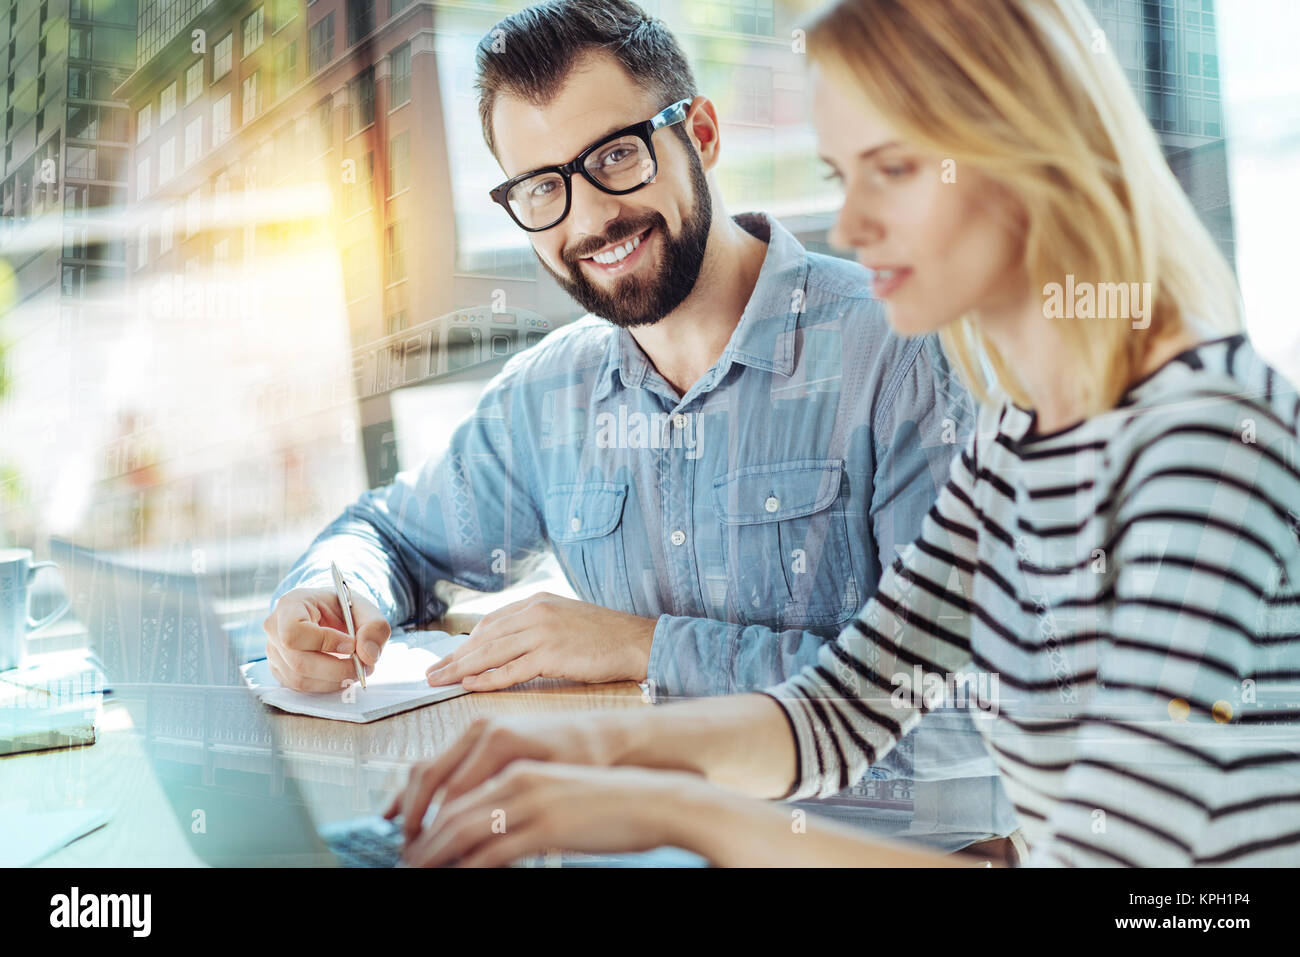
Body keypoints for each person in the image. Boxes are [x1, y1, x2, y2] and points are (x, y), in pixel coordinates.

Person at [385, 0, 1300, 867]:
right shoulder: (1021, 441)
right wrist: (592, 744)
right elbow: (842, 713)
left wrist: (667, 805)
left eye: (893, 169)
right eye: (841, 177)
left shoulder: (1205, 445)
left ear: (1027, 156)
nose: (854, 226)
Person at [263, 0, 1017, 855]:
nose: (588, 220)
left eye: (616, 155)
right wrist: (333, 594)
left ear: (699, 131)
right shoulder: (555, 395)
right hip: (630, 844)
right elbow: (389, 534)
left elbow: (962, 728)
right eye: (544, 187)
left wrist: (649, 647)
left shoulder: (904, 350)